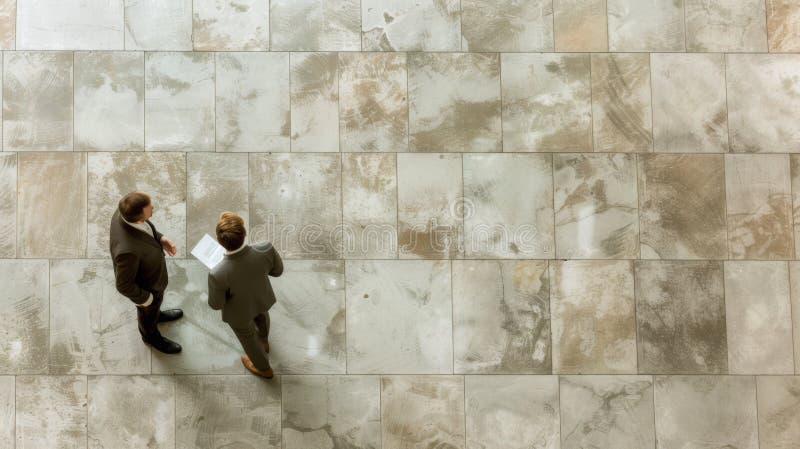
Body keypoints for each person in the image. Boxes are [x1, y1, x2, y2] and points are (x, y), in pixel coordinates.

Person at [208, 212, 283, 379]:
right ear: (245, 233)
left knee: (248, 339)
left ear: (220, 242)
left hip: (239, 314)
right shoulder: (265, 248)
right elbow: (278, 271)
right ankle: (264, 341)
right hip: (261, 297)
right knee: (262, 316)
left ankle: (263, 368)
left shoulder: (217, 274)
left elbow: (216, 304)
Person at [109, 191, 183, 354]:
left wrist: (160, 238)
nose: (153, 207)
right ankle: (150, 337)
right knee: (147, 314)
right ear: (138, 217)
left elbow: (144, 228)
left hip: (152, 278)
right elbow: (123, 285)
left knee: (154, 310)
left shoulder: (123, 212)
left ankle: (157, 314)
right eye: (150, 208)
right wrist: (147, 299)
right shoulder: (127, 252)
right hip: (148, 288)